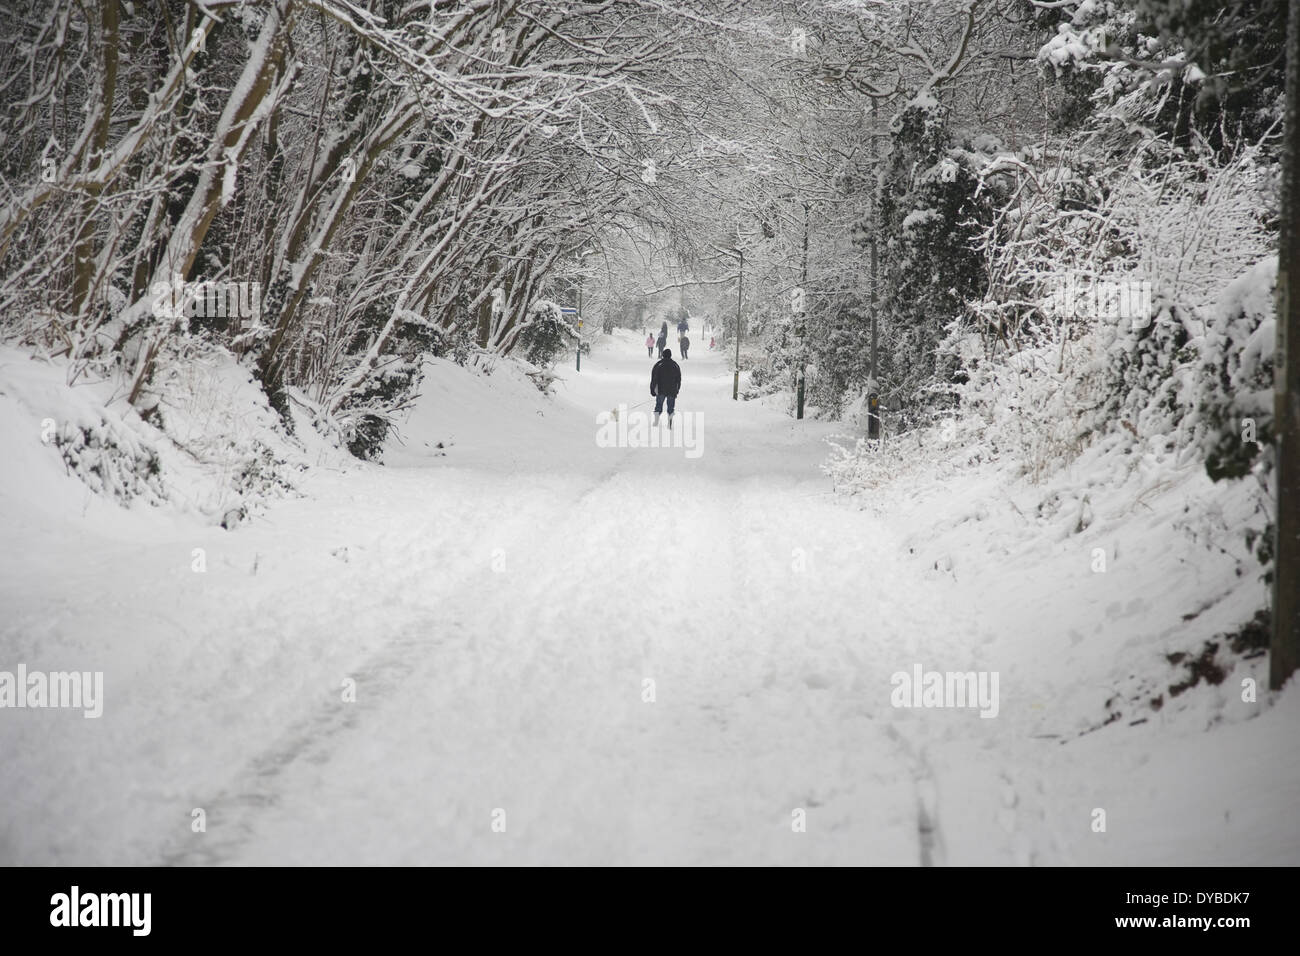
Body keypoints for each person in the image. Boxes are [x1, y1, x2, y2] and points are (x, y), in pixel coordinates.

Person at [650, 347, 681, 427]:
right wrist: (677, 389)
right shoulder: (675, 365)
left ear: (663, 355)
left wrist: (652, 389)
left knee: (658, 406)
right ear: (670, 355)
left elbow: (654, 378)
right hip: (672, 390)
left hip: (661, 390)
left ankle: (656, 421)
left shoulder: (659, 365)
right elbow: (679, 379)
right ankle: (670, 422)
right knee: (671, 407)